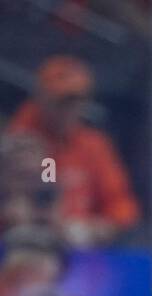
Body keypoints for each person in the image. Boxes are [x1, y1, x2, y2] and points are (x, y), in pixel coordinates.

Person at [5, 56, 139, 247]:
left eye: (77, 101)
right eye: (62, 101)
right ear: (42, 98)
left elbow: (121, 205)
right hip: (24, 249)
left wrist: (98, 228)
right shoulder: (20, 142)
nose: (69, 110)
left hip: (81, 251)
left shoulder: (94, 145)